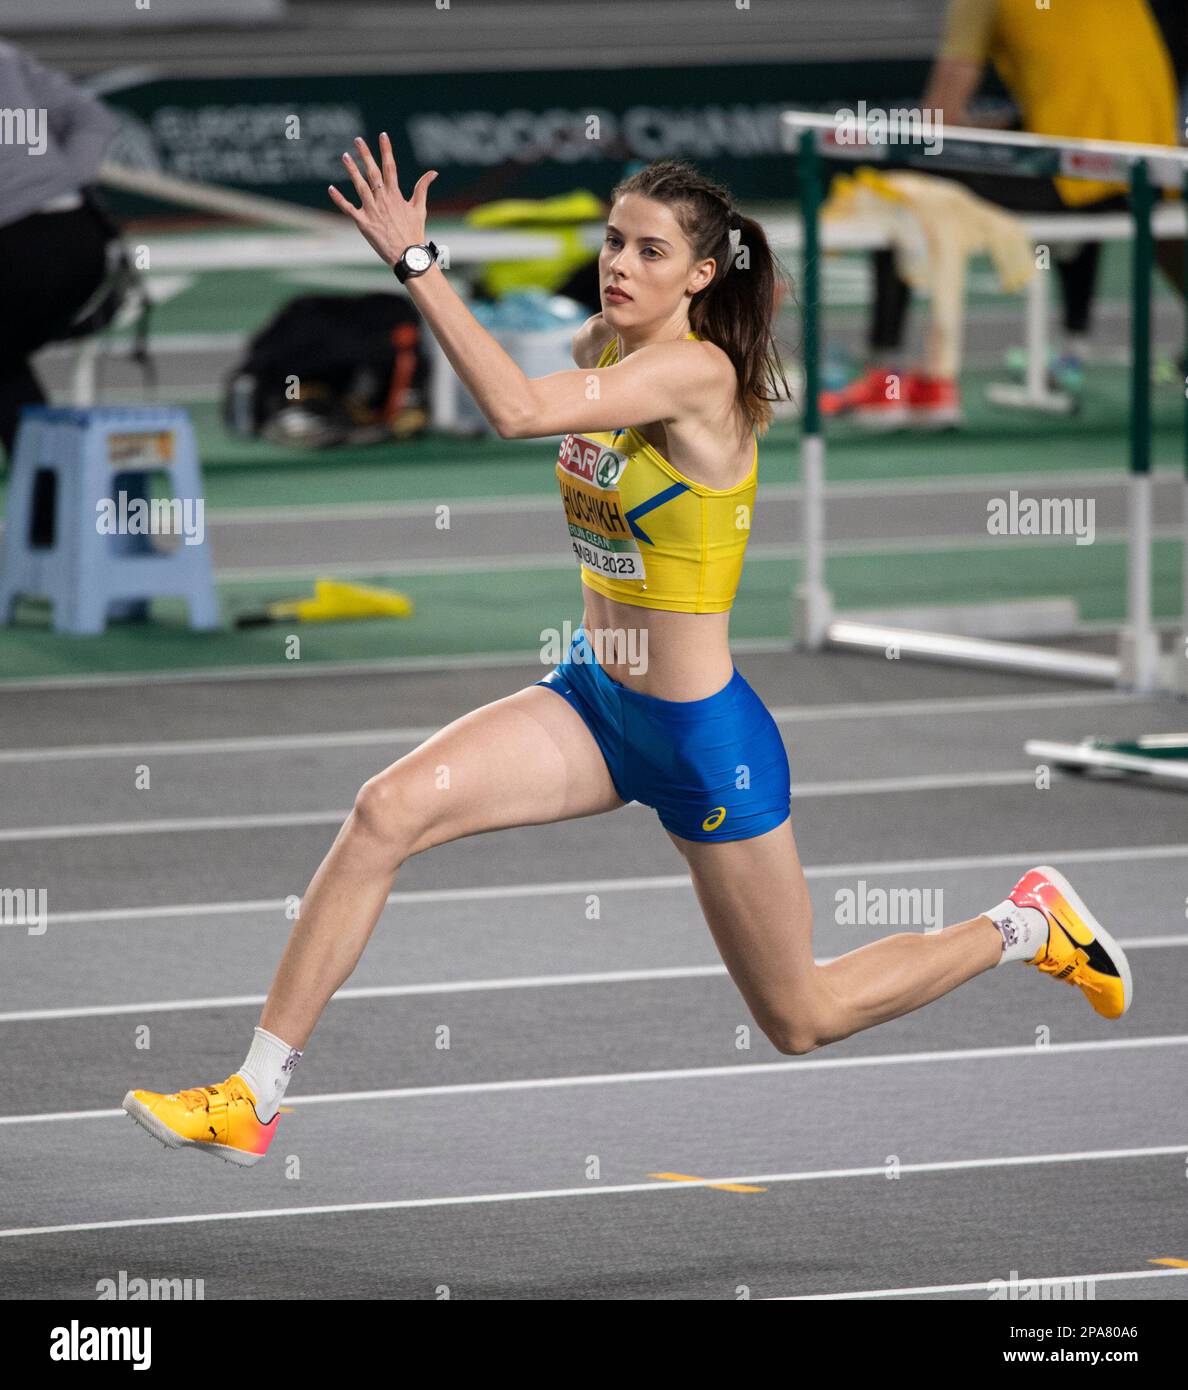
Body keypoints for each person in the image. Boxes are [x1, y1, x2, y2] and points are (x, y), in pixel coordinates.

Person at [123, 137, 1132, 1165]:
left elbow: (515, 411)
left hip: (702, 740)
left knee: (802, 1016)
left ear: (702, 273)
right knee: (386, 810)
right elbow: (535, 382)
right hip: (594, 703)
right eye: (613, 242)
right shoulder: (601, 349)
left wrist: (418, 264)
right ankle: (256, 1092)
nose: (620, 263)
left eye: (652, 252)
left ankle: (1024, 924)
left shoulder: (698, 373)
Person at [824, 0, 1185, 425]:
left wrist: (959, 134)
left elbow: (936, 123)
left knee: (900, 189)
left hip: (1075, 176)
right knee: (1101, 192)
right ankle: (1073, 346)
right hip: (1152, 171)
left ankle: (890, 379)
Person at [0, 42, 119, 464]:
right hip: (77, 239)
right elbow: (93, 118)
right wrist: (66, 182)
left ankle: (48, 506)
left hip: (20, 246)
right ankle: (48, 510)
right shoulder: (6, 56)